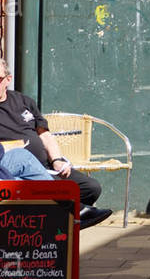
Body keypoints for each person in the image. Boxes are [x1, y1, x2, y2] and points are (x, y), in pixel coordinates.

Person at [0, 58, 112, 227]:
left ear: (8, 79)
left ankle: (61, 224)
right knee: (22, 158)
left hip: (45, 167)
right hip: (13, 168)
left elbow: (44, 134)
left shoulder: (24, 101)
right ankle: (72, 214)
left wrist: (57, 160)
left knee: (90, 188)